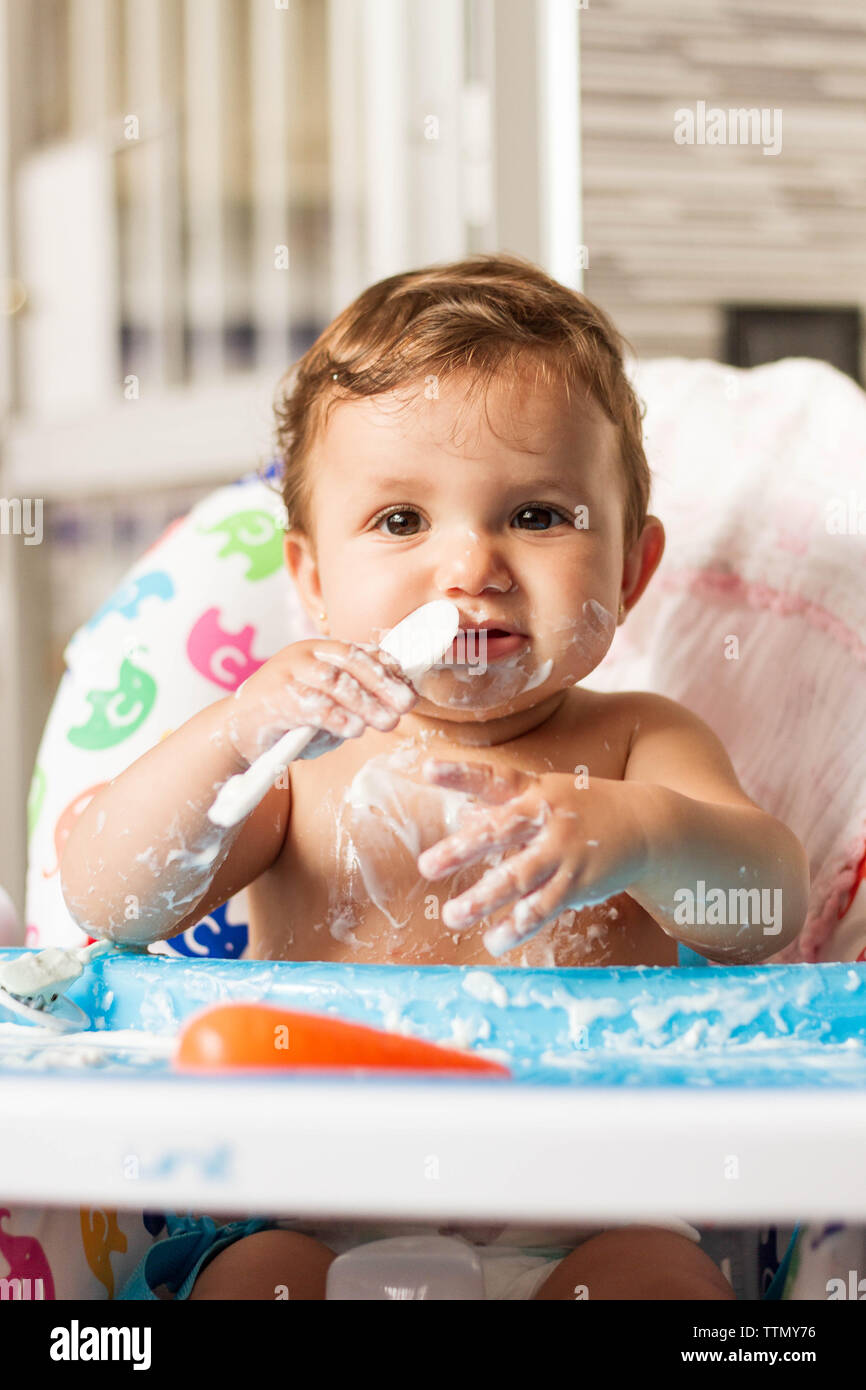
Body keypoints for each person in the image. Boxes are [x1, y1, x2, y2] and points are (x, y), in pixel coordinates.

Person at [61, 254, 809, 1300]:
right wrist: (236, 730)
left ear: (631, 570)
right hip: (310, 1209)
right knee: (251, 1282)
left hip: (590, 1211)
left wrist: (640, 833)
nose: (470, 567)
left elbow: (766, 907)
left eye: (538, 515)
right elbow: (107, 898)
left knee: (663, 1285)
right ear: (313, 583)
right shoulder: (290, 764)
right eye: (402, 522)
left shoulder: (640, 743)